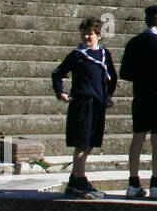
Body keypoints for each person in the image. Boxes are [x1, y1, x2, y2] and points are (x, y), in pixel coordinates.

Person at [118, 4, 157, 199]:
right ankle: (155, 184)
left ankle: (133, 182)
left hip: (141, 94)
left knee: (138, 137)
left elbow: (125, 73)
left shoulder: (134, 42)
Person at [51, 17, 118, 199]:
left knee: (91, 143)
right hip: (82, 104)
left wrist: (109, 96)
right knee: (82, 144)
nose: (86, 37)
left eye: (89, 34)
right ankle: (79, 180)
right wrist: (60, 92)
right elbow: (57, 74)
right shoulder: (77, 55)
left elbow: (112, 77)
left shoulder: (105, 54)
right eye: (83, 34)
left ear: (98, 35)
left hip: (98, 104)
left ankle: (75, 179)